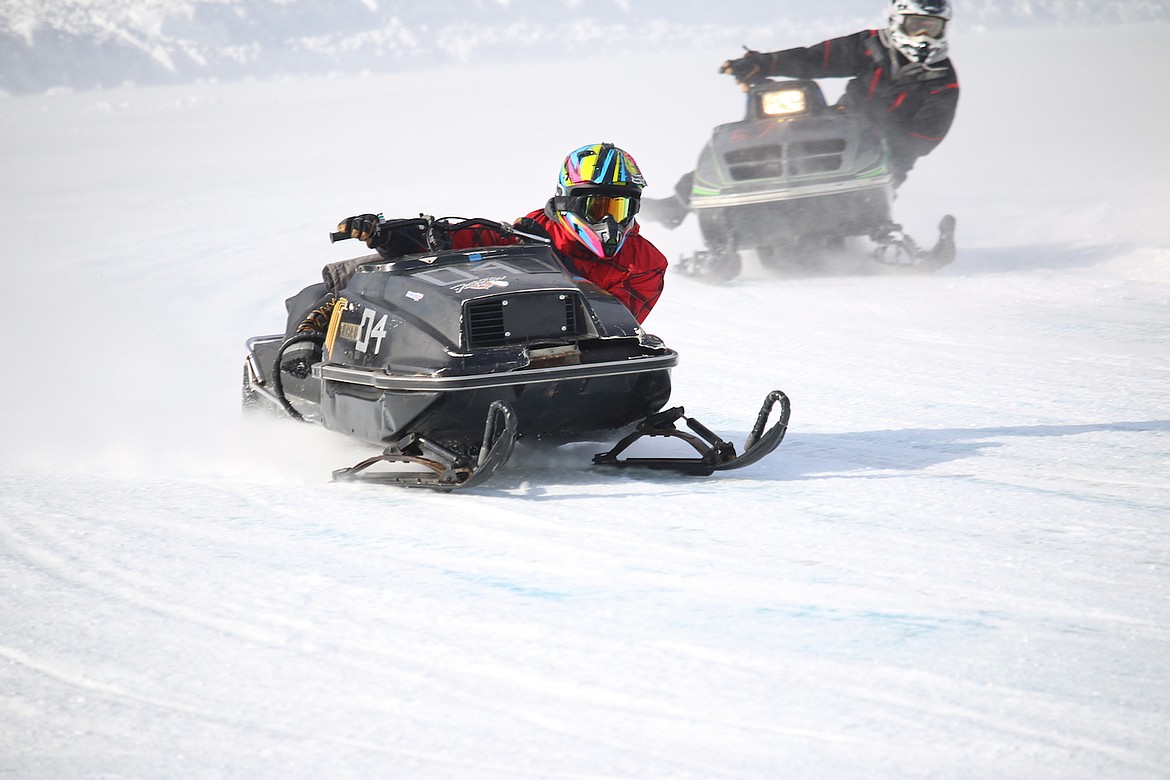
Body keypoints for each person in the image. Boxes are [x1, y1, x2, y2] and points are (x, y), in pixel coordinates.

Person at [280, 143, 667, 374]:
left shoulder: (645, 262)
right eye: (597, 206)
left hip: (579, 355)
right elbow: (455, 239)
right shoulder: (526, 234)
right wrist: (387, 234)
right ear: (567, 201)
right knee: (368, 280)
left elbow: (617, 324)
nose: (607, 220)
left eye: (618, 207)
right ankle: (308, 343)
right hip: (491, 348)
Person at [720, 0, 959, 189]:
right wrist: (763, 64)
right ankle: (695, 197)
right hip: (841, 124)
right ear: (899, 22)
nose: (923, 36)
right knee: (773, 136)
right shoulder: (872, 45)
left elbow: (926, 136)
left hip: (886, 153)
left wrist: (883, 139)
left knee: (873, 186)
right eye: (917, 26)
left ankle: (872, 232)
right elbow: (817, 58)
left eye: (932, 28)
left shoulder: (942, 80)